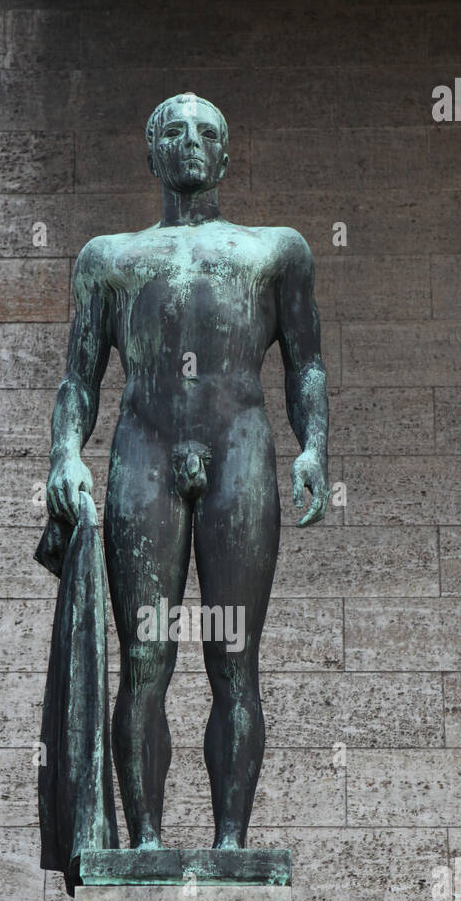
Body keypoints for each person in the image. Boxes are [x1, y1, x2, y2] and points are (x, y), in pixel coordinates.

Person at [46, 93, 329, 851]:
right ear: (151, 154)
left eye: (207, 131)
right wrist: (65, 451)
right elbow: (77, 379)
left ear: (227, 155)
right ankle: (145, 841)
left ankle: (231, 842)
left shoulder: (276, 251)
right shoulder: (109, 260)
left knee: (235, 658)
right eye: (173, 130)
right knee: (145, 659)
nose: (190, 141)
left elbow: (307, 365)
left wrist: (314, 445)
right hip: (144, 447)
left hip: (239, 446)